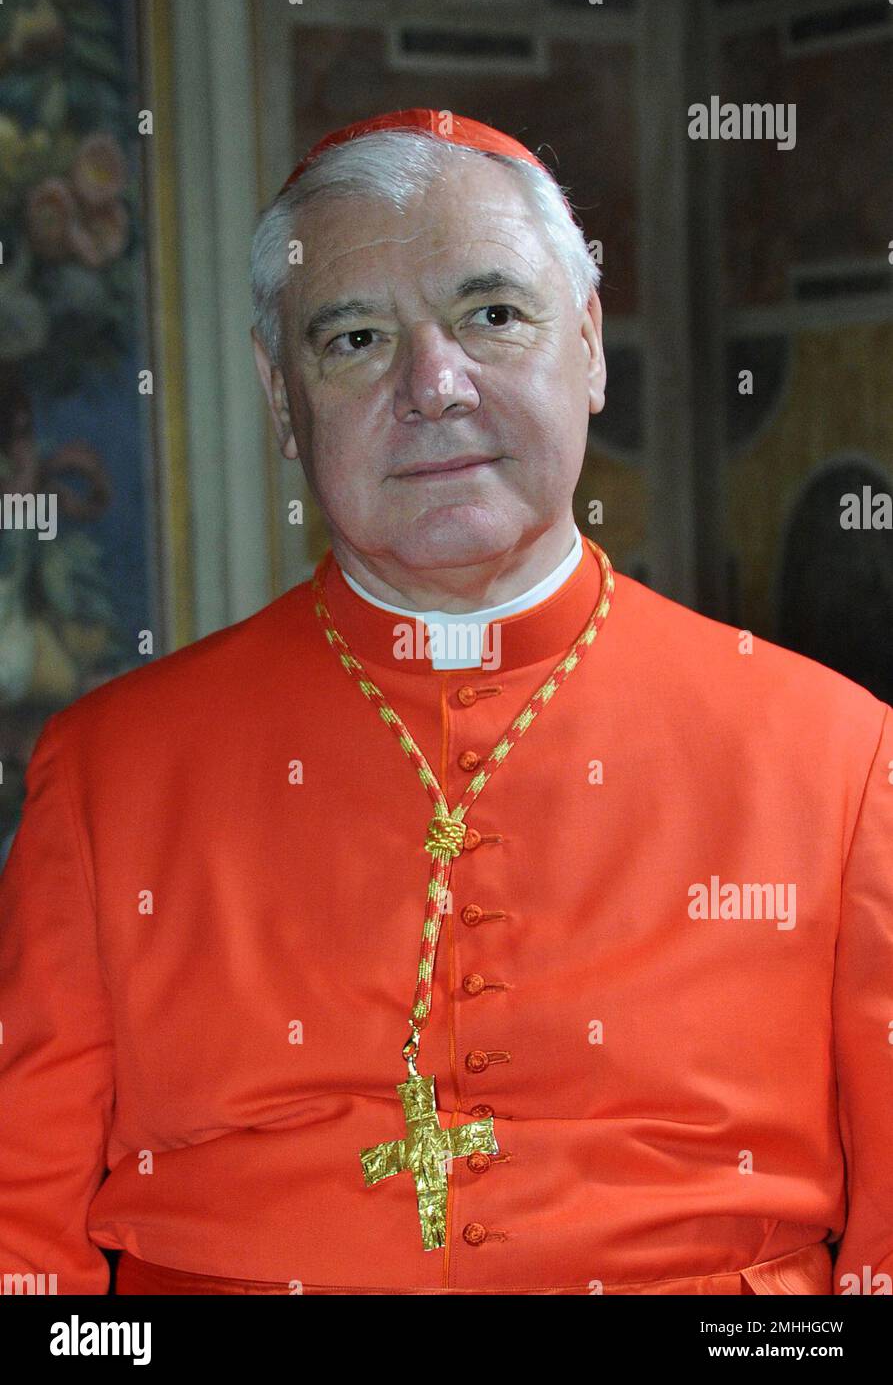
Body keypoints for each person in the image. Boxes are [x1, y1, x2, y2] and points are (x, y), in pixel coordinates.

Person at [0, 108, 890, 1297]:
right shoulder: (111, 774)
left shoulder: (836, 757)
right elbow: (21, 1239)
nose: (434, 384)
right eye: (357, 338)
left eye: (493, 316)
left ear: (587, 349)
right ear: (281, 400)